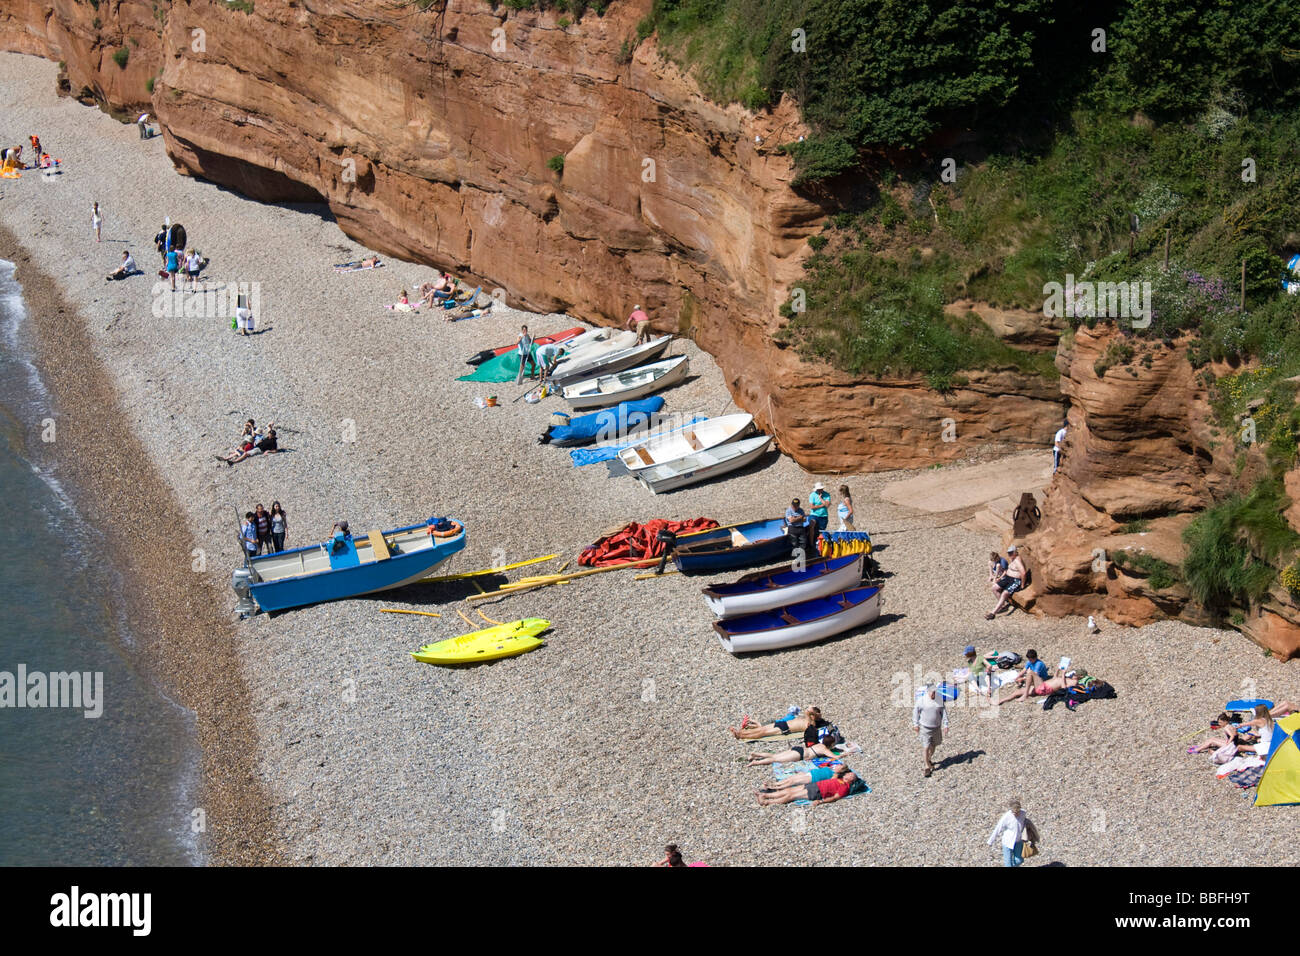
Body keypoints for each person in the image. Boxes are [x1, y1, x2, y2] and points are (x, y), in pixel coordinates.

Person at [756, 769, 863, 807]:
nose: (849, 775)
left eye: (851, 776)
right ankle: (765, 795)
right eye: (849, 773)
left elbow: (835, 797)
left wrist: (821, 802)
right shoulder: (838, 778)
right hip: (815, 785)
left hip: (818, 792)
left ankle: (767, 802)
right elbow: (837, 772)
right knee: (789, 790)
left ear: (852, 781)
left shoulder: (845, 787)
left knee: (791, 795)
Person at [913, 683, 949, 778]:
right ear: (928, 692)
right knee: (926, 747)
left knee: (933, 746)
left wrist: (945, 724)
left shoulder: (939, 699)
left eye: (934, 692)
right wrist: (915, 724)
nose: (934, 694)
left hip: (936, 727)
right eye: (932, 692)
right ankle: (926, 767)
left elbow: (943, 712)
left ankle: (928, 759)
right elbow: (916, 712)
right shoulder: (922, 701)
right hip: (925, 728)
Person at [730, 706, 826, 741]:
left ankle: (742, 736)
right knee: (761, 729)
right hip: (783, 723)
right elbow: (809, 712)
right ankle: (741, 733)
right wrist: (812, 711)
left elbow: (810, 715)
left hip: (785, 729)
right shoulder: (806, 718)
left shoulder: (811, 723)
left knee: (762, 733)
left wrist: (813, 713)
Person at [998, 667, 1080, 705]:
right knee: (1017, 692)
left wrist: (1063, 675)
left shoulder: (1074, 682)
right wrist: (1058, 670)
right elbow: (1055, 678)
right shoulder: (1067, 678)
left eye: (1075, 674)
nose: (1073, 674)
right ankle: (1001, 701)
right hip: (1043, 685)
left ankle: (1025, 695)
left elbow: (1063, 688)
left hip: (1045, 688)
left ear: (1080, 676)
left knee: (1030, 672)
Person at [757, 761, 851, 794]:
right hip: (810, 773)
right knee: (790, 779)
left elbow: (830, 783)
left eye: (840, 766)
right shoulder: (832, 769)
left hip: (813, 778)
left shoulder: (835, 775)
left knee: (791, 782)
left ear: (841, 770)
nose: (838, 765)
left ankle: (771, 788)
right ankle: (774, 784)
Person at [988, 798, 1031, 867]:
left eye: (1018, 812)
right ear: (1011, 810)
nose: (1016, 814)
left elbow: (1026, 822)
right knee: (1008, 863)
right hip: (1007, 842)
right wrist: (990, 841)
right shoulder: (1006, 817)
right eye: (1014, 812)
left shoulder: (1023, 813)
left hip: (1018, 841)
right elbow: (998, 828)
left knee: (1019, 860)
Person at [986, 545, 1026, 618]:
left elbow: (1023, 573)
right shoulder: (1013, 558)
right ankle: (1003, 605)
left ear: (1015, 552)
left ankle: (993, 613)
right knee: (994, 588)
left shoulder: (1017, 560)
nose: (1009, 554)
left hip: (1015, 580)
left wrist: (1022, 585)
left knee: (1005, 593)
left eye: (1011, 553)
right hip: (1008, 577)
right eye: (1008, 553)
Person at [745, 740, 847, 767]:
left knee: (775, 755)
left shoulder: (819, 744)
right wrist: (846, 753)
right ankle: (755, 763)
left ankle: (755, 754)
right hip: (800, 755)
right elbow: (835, 757)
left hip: (798, 749)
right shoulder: (825, 749)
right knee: (776, 760)